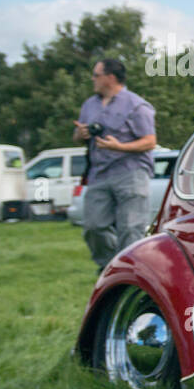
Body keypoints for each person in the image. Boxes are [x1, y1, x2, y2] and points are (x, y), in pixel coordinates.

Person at [73, 58, 158, 270]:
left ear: (110, 78)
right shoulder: (89, 104)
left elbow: (150, 141)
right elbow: (78, 136)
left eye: (96, 75)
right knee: (93, 227)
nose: (92, 79)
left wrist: (119, 147)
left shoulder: (137, 105)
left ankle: (132, 274)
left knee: (130, 228)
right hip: (98, 174)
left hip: (130, 173)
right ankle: (111, 268)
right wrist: (80, 134)